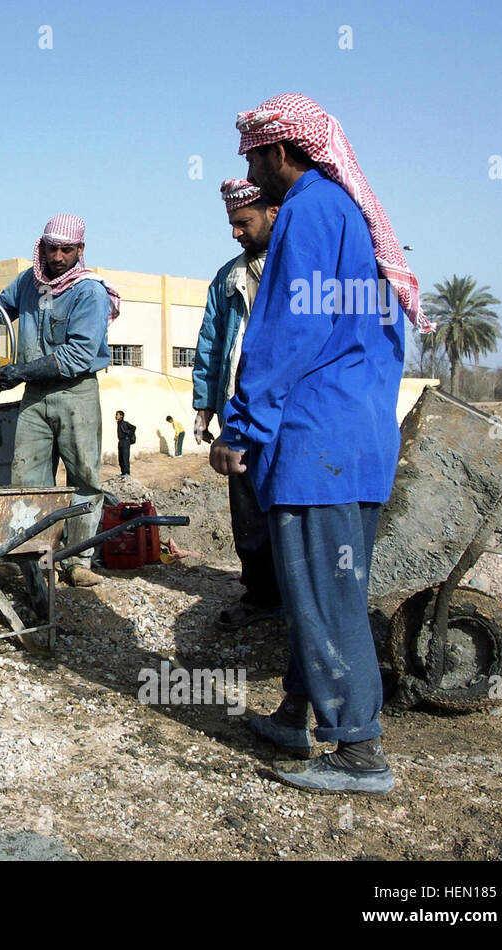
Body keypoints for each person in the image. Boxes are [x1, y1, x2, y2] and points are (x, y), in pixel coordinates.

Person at [213, 93, 433, 794]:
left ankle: (360, 751)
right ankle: (297, 712)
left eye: (252, 154)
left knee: (327, 599)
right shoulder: (346, 218)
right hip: (357, 440)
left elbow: (285, 332)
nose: (250, 167)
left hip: (317, 449)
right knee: (324, 591)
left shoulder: (308, 210)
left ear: (281, 151)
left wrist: (241, 426)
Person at [0, 214, 120, 587]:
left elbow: (79, 356)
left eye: (66, 250)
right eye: (52, 248)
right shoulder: (28, 284)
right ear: (42, 247)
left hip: (75, 392)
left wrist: (19, 372)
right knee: (28, 478)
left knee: (83, 477)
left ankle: (78, 561)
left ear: (80, 250)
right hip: (35, 396)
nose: (58, 257)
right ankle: (32, 556)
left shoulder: (88, 292)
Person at [192, 179, 283, 631]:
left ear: (272, 213)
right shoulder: (228, 279)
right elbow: (209, 345)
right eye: (231, 224)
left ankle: (301, 601)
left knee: (290, 507)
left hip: (288, 413)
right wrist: (206, 404)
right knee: (247, 508)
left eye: (242, 222)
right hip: (240, 412)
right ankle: (262, 596)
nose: (235, 233)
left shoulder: (296, 269)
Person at [115, 410, 135, 477]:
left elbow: (133, 427)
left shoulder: (124, 423)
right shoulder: (119, 423)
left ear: (121, 416)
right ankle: (123, 472)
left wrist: (127, 434)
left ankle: (127, 473)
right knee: (120, 458)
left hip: (125, 442)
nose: (116, 416)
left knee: (125, 457)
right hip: (120, 441)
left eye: (117, 415)